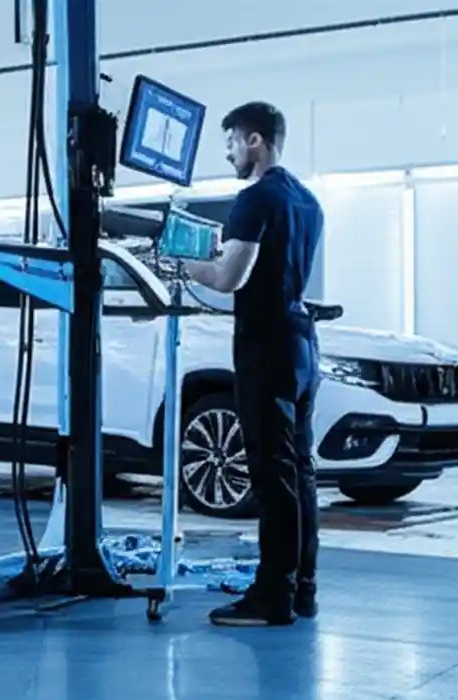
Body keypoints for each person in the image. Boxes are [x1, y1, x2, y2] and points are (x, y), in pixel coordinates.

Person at [183, 101, 323, 627]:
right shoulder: (308, 201)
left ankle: (271, 597)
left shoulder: (254, 198)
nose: (229, 155)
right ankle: (302, 588)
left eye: (231, 144)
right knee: (300, 472)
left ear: (255, 141)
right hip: (302, 343)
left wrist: (179, 263)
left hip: (266, 347)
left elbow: (228, 279)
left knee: (271, 474)